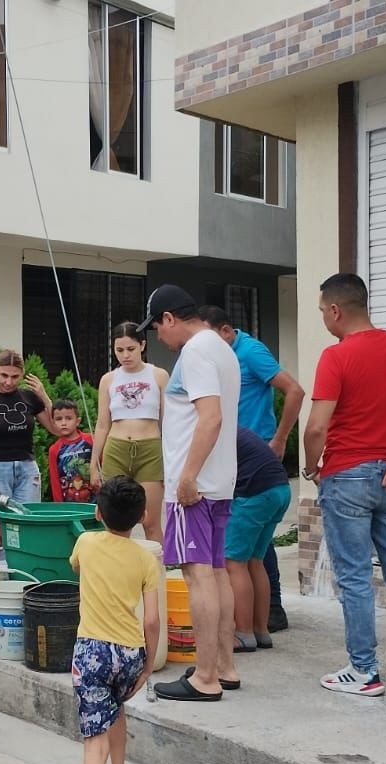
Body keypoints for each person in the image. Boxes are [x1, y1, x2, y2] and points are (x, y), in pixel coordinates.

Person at [301, 273, 386, 697]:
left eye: (323, 310)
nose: (324, 318)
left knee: (356, 575)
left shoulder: (336, 356)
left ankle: (364, 671)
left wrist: (312, 469)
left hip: (348, 475)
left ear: (336, 310)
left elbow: (315, 428)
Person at [140, 285, 241, 702]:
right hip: (220, 480)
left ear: (169, 318)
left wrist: (186, 476)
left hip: (194, 486)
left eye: (156, 329)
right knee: (216, 572)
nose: (157, 339)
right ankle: (225, 667)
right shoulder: (221, 348)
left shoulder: (197, 351)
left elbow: (210, 418)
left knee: (197, 573)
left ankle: (204, 677)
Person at [68, 476, 158, 764]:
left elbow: (74, 567)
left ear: (98, 513)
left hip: (92, 652)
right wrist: (148, 665)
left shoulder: (86, 543)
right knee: (117, 710)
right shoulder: (145, 558)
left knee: (93, 742)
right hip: (130, 653)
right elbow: (152, 620)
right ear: (142, 516)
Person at [207, 308, 306, 633]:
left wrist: (279, 440)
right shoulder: (219, 356)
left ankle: (267, 613)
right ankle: (258, 623)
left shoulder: (249, 352)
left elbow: (295, 390)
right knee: (249, 550)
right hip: (232, 452)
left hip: (253, 455)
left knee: (247, 551)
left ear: (224, 330)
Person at [91, 323, 169, 542]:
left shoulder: (159, 375)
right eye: (119, 350)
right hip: (116, 447)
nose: (125, 355)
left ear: (142, 345)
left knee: (151, 522)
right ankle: (116, 573)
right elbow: (102, 424)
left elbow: (169, 422)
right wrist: (93, 463)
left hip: (150, 448)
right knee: (113, 520)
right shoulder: (108, 379)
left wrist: (172, 460)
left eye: (131, 349)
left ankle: (155, 574)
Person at [227, 428, 292, 652]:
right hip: (279, 489)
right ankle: (260, 631)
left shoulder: (212, 429)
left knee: (234, 563)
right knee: (255, 560)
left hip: (256, 494)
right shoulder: (233, 428)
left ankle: (243, 634)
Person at [0, 349, 56, 504]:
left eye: (15, 377)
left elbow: (54, 428)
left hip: (27, 466)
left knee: (29, 516)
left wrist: (44, 396)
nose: (9, 382)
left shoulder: (29, 397)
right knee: (2, 517)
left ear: (22, 374)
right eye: (4, 375)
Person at [47, 399, 95, 502]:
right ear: (53, 422)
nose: (63, 423)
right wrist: (60, 508)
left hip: (95, 500)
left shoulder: (91, 440)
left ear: (77, 421)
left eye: (69, 418)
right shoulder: (54, 450)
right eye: (59, 419)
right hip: (69, 502)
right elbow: (55, 480)